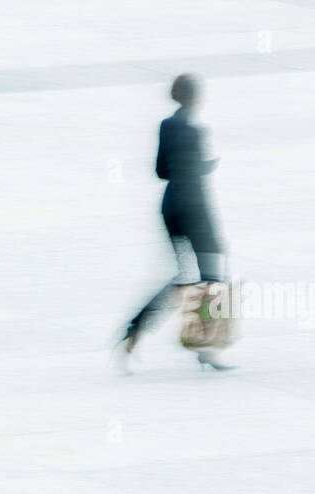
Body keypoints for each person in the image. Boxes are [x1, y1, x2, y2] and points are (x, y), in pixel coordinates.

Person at [119, 73, 234, 372]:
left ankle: (134, 331)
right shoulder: (196, 132)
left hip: (170, 207)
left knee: (182, 278)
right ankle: (207, 346)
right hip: (193, 208)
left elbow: (161, 170)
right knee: (212, 279)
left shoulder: (166, 126)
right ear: (197, 98)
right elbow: (196, 181)